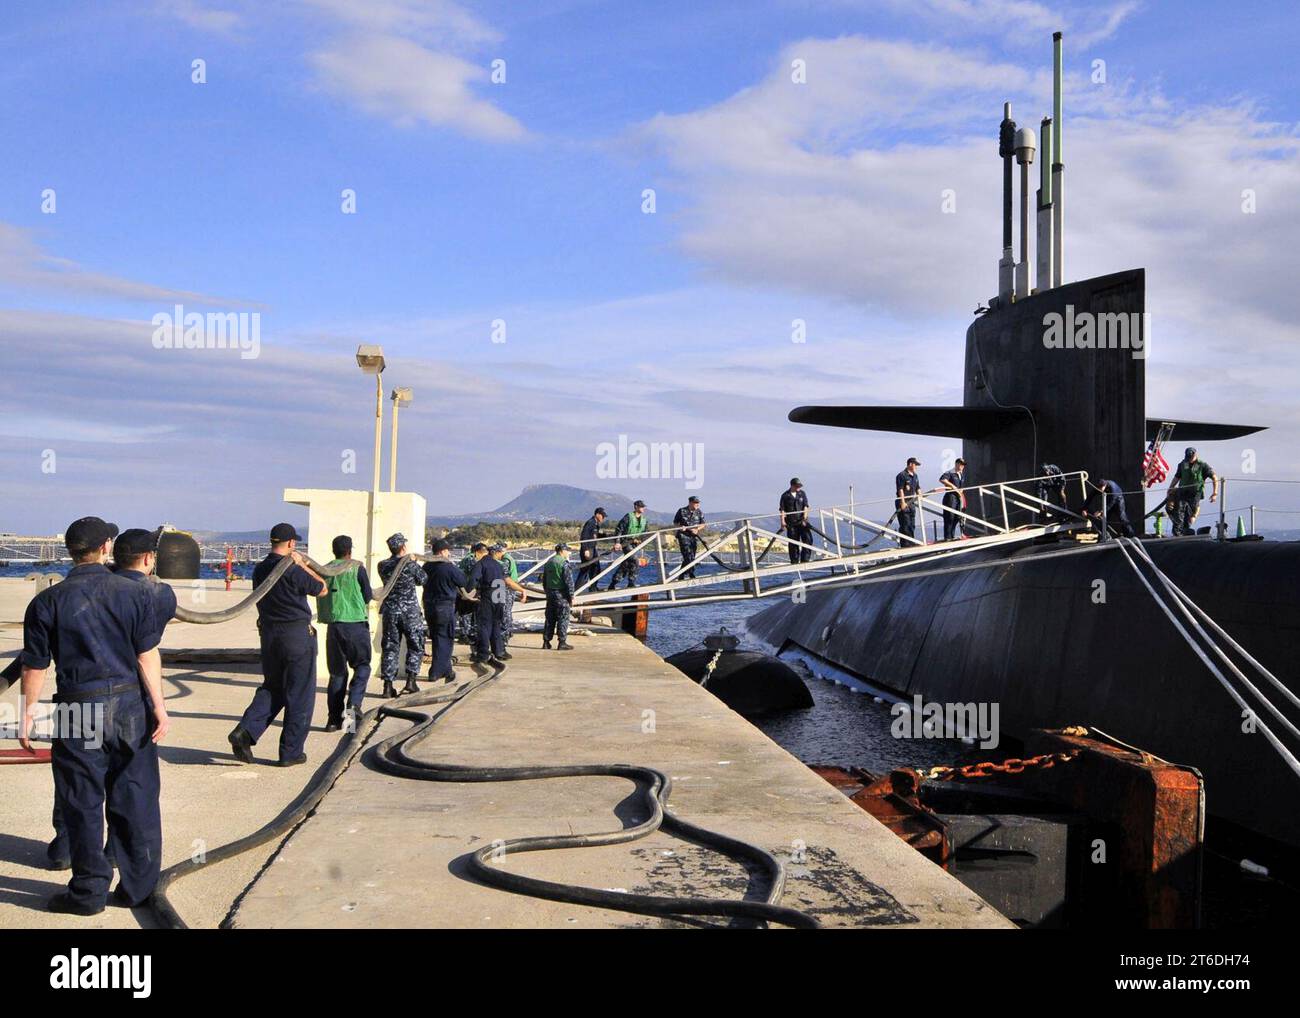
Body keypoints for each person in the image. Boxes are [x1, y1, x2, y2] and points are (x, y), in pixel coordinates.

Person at [19, 517, 169, 914]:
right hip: (128, 703)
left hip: (73, 705)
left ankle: (87, 893)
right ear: (106, 547)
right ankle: (138, 887)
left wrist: (27, 714)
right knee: (135, 797)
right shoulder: (135, 594)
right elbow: (146, 655)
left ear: (71, 551)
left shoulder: (46, 602)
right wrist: (159, 706)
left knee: (81, 801)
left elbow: (34, 666)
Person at [47, 526, 179, 872]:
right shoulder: (158, 595)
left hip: (74, 698)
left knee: (75, 786)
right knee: (130, 788)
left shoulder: (65, 593)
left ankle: (65, 848)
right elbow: (147, 650)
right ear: (149, 559)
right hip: (132, 698)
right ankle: (118, 856)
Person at [229, 523, 328, 768]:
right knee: (300, 694)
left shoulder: (260, 569)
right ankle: (290, 752)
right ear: (292, 543)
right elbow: (322, 588)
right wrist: (302, 564)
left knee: (273, 687)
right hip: (296, 635)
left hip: (269, 635)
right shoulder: (293, 569)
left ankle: (245, 731)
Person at [317, 535, 372, 732]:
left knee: (337, 674)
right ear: (350, 550)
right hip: (355, 625)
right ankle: (353, 708)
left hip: (334, 628)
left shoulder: (324, 569)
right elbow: (368, 595)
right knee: (362, 667)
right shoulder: (357, 567)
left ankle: (333, 721)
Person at [376, 532, 426, 697]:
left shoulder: (382, 565)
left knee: (390, 647)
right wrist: (413, 562)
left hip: (391, 611)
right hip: (410, 612)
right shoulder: (409, 564)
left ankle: (388, 686)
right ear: (403, 547)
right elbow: (423, 579)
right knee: (415, 644)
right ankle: (411, 681)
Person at [422, 539, 472, 683]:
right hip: (444, 607)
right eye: (447, 551)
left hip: (429, 606)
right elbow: (463, 581)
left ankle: (446, 669)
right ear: (443, 552)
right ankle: (436, 671)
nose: (449, 553)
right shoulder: (448, 567)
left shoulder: (426, 566)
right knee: (446, 638)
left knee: (437, 638)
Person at [468, 543, 527, 665]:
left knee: (484, 625)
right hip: (499, 596)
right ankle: (499, 651)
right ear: (495, 553)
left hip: (489, 594)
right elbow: (508, 581)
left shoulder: (481, 564)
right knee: (496, 624)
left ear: (479, 553)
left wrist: (468, 593)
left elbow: (473, 579)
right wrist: (521, 590)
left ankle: (483, 654)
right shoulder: (499, 565)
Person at [1168, 448, 1218, 536]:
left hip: (1195, 493)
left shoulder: (1203, 465)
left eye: (1190, 457)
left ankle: (1186, 530)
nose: (1189, 459)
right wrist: (1171, 487)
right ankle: (1178, 533)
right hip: (1182, 492)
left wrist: (1215, 493)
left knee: (1191, 513)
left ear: (1195, 455)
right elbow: (1177, 477)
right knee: (1179, 511)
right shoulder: (1182, 464)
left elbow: (1214, 477)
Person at [541, 543, 576, 650]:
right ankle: (562, 642)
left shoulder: (549, 562)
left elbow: (544, 580)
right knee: (563, 617)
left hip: (550, 593)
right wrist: (571, 596)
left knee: (550, 618)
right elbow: (568, 581)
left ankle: (546, 642)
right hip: (561, 594)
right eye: (567, 551)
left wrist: (547, 591)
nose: (568, 553)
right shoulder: (564, 563)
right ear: (562, 551)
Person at [608, 501, 648, 590]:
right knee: (635, 561)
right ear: (636, 507)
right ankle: (631, 582)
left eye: (644, 507)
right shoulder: (628, 517)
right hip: (626, 543)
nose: (643, 508)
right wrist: (617, 542)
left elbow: (645, 533)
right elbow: (619, 529)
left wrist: (641, 540)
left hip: (635, 544)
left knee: (626, 565)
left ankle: (613, 583)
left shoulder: (644, 519)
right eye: (641, 507)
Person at [778, 478, 813, 563]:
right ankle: (794, 560)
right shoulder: (785, 496)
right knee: (793, 542)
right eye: (797, 486)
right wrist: (782, 522)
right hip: (791, 522)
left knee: (808, 539)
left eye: (799, 486)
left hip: (802, 521)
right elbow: (782, 510)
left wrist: (805, 518)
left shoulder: (802, 493)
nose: (799, 488)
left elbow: (806, 506)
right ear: (792, 485)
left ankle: (805, 559)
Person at [673, 496, 705, 579]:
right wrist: (680, 526)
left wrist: (697, 529)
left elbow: (703, 524)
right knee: (687, 554)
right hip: (683, 535)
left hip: (693, 536)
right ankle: (691, 573)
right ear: (690, 503)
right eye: (695, 503)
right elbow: (675, 523)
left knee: (692, 556)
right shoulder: (682, 511)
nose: (697, 504)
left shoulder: (699, 512)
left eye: (698, 503)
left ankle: (682, 573)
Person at [577, 507, 607, 592]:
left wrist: (608, 535)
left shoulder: (596, 524)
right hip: (588, 549)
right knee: (585, 570)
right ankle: (577, 590)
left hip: (593, 549)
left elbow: (596, 535)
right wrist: (585, 550)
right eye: (602, 516)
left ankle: (593, 587)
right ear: (597, 514)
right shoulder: (590, 523)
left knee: (596, 569)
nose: (603, 518)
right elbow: (584, 536)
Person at [894, 459, 924, 544]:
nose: (917, 467)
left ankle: (911, 541)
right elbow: (900, 490)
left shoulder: (915, 476)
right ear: (910, 464)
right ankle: (905, 543)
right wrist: (902, 502)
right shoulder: (902, 475)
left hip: (911, 502)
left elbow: (918, 487)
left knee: (912, 524)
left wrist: (920, 495)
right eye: (916, 465)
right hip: (904, 501)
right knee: (905, 524)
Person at [938, 459, 967, 541]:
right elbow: (942, 479)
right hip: (950, 497)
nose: (962, 466)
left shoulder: (961, 474)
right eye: (961, 464)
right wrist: (952, 486)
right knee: (949, 517)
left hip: (958, 498)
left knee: (957, 517)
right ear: (956, 464)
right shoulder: (950, 472)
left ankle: (952, 535)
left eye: (963, 465)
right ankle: (947, 537)